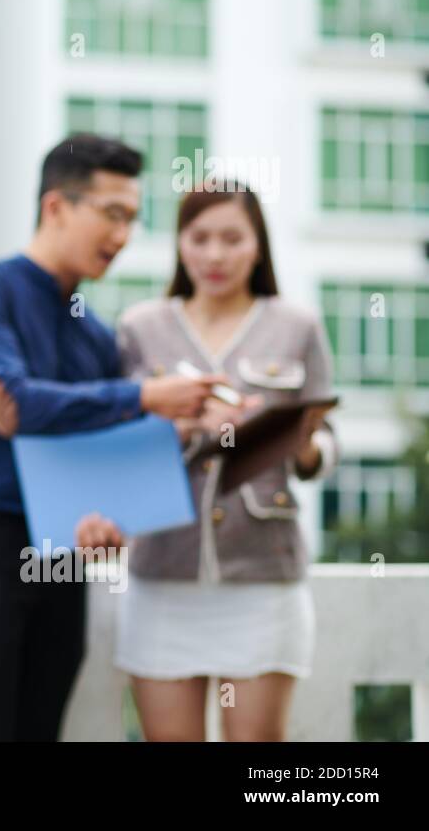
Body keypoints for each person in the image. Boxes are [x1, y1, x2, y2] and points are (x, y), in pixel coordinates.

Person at [0, 133, 225, 741]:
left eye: (133, 220)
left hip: (62, 549)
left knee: (41, 730)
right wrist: (145, 396)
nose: (122, 235)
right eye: (111, 214)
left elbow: (106, 453)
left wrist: (115, 506)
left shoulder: (95, 335)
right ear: (56, 207)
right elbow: (11, 408)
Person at [113, 182, 337, 741]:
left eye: (232, 239)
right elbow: (118, 439)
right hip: (162, 570)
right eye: (201, 238)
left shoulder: (297, 325)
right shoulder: (141, 328)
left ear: (257, 246)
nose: (215, 255)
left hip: (263, 576)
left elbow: (326, 443)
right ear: (180, 245)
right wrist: (183, 425)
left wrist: (296, 441)